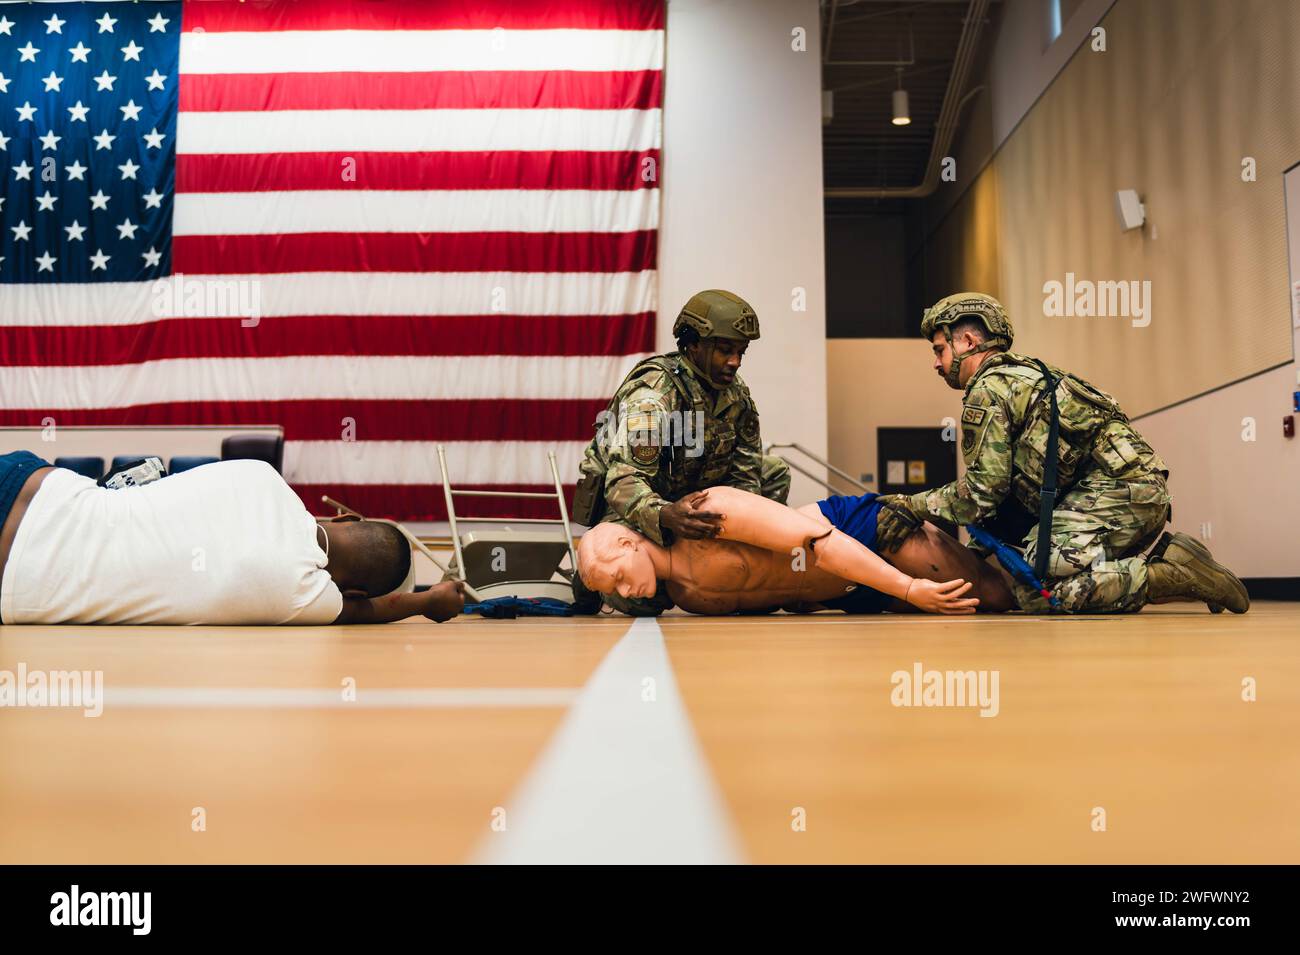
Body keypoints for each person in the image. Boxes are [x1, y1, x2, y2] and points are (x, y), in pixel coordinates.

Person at [873, 292, 1249, 614]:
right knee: (1026, 565)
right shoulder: (1030, 373)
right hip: (1134, 493)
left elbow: (980, 495)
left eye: (939, 349)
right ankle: (1172, 563)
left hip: (1119, 494)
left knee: (1039, 592)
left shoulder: (988, 390)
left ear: (968, 342)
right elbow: (1011, 499)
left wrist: (910, 504)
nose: (936, 363)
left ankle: (1170, 574)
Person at [0, 451, 464, 625]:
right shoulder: (300, 595)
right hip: (17, 579)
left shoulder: (261, 476)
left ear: (343, 521)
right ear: (353, 588)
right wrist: (428, 602)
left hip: (32, 481)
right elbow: (366, 612)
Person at [573, 288, 791, 615]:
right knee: (644, 599)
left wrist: (740, 533)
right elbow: (623, 482)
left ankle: (714, 562)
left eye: (740, 352)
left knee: (774, 472)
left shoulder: (736, 394)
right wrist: (668, 516)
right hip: (639, 504)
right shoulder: (653, 394)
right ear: (693, 345)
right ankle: (591, 578)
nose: (734, 361)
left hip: (691, 492)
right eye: (724, 350)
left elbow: (746, 477)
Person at [577, 484, 1015, 616]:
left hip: (856, 534)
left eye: (617, 577)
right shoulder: (690, 600)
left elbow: (818, 544)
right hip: (845, 592)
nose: (625, 591)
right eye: (613, 589)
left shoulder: (709, 512)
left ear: (626, 540)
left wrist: (908, 588)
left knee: (997, 598)